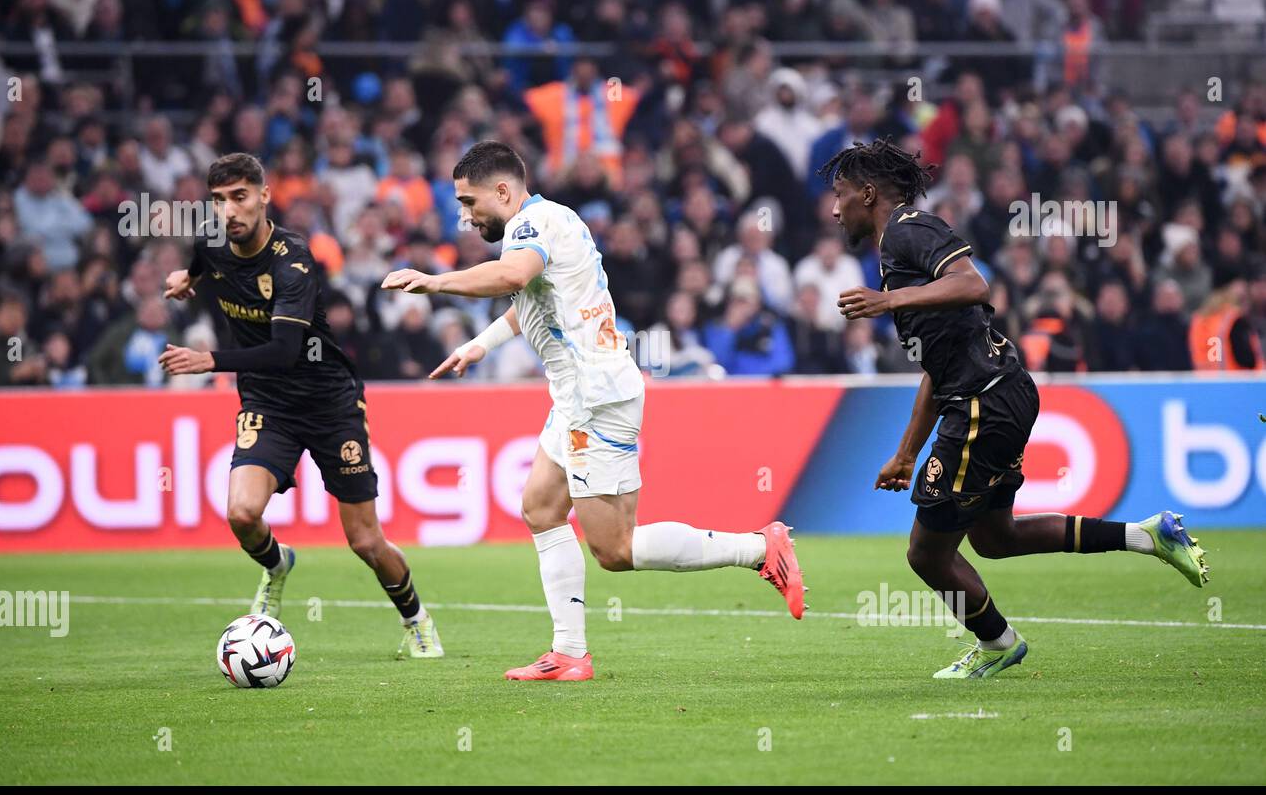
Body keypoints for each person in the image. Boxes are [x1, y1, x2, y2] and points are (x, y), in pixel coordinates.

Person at [380, 141, 805, 682]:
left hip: (595, 396)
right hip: (578, 394)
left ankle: (759, 548)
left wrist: (434, 280)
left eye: (469, 201)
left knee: (615, 548)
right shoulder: (551, 220)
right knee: (539, 506)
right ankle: (569, 653)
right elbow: (527, 298)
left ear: (504, 191)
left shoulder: (528, 230)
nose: (464, 214)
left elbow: (512, 277)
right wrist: (479, 346)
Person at [826, 138, 1208, 679]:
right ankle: (1149, 535)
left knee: (925, 555)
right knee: (993, 538)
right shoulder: (895, 254)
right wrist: (906, 453)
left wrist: (887, 301)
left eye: (840, 194)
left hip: (985, 401)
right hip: (994, 393)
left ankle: (998, 643)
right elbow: (938, 366)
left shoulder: (909, 228)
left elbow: (975, 284)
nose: (834, 208)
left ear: (868, 193)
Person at [158, 153, 442, 660]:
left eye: (240, 197)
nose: (229, 211)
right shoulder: (211, 243)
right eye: (219, 201)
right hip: (268, 403)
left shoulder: (293, 259)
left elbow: (285, 351)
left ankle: (415, 618)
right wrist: (189, 279)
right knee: (242, 513)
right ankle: (277, 563)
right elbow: (205, 262)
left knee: (365, 542)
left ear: (264, 197)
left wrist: (209, 360)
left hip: (330, 401)